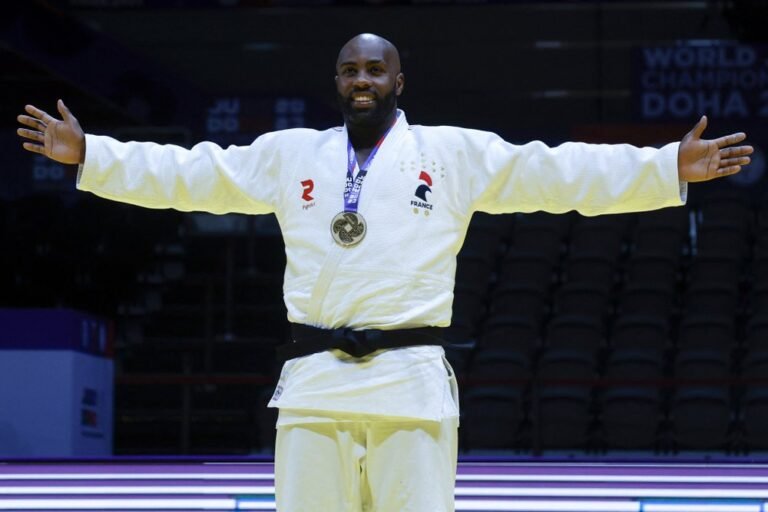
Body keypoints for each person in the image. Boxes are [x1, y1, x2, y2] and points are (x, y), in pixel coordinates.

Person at [17, 33, 752, 512]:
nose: (360, 79)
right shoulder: (290, 154)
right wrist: (94, 155)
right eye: (348, 70)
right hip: (314, 390)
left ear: (401, 79)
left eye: (374, 68)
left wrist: (662, 166)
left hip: (411, 389)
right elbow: (191, 174)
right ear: (336, 82)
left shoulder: (452, 154)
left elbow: (555, 172)